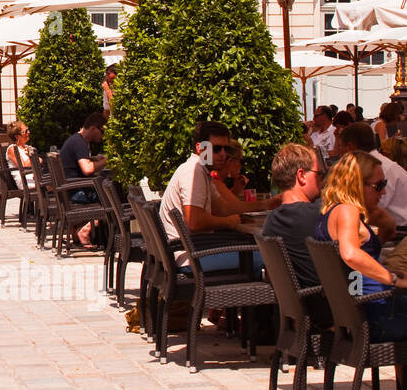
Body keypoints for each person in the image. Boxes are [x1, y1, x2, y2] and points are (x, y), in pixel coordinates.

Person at [313, 151, 407, 343]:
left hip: (358, 315)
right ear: (356, 183)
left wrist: (379, 267)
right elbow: (350, 254)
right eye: (379, 185)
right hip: (375, 317)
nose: (384, 192)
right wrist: (392, 278)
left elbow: (356, 261)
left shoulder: (331, 211)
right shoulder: (348, 211)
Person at [159, 122, 267, 272]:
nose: (223, 154)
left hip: (195, 251)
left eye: (226, 148)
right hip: (192, 260)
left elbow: (223, 207)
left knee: (258, 253)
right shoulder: (193, 172)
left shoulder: (201, 171)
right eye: (216, 149)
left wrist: (266, 204)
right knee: (267, 258)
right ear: (200, 148)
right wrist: (228, 222)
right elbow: (194, 222)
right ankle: (258, 294)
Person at [261, 143, 325, 288]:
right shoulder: (319, 215)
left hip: (298, 305)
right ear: (301, 175)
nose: (322, 181)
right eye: (319, 174)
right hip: (333, 303)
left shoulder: (271, 221)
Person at [338, 121, 407, 231]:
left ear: (350, 147)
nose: (339, 152)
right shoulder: (376, 164)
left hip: (398, 233)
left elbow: (375, 208)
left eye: (340, 146)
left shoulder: (379, 167)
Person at [59, 112, 106, 247]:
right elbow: (87, 169)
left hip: (68, 190)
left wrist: (93, 159)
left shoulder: (75, 139)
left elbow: (80, 163)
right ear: (93, 128)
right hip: (75, 192)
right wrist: (106, 162)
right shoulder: (80, 143)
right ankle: (85, 231)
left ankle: (77, 228)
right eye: (102, 131)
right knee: (113, 195)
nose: (102, 136)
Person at [4, 120, 36, 189]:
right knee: (55, 182)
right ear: (17, 136)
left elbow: (40, 160)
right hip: (25, 181)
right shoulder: (12, 149)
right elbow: (23, 166)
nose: (29, 132)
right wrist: (31, 157)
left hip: (32, 177)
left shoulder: (26, 147)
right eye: (25, 131)